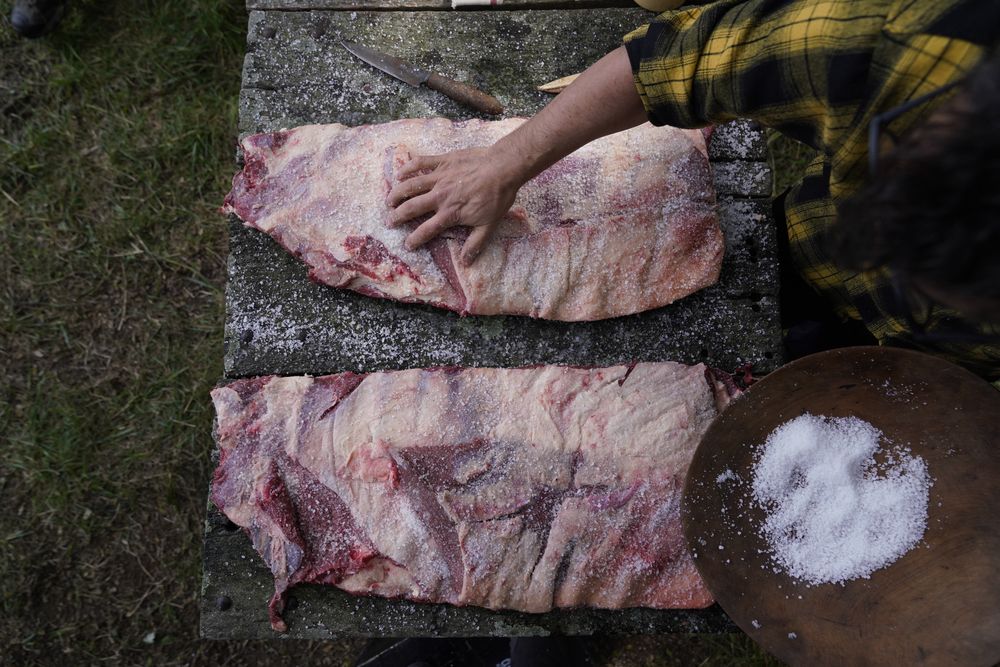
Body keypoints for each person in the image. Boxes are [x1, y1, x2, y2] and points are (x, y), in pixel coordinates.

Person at [385, 0, 1000, 384]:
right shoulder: (914, 44)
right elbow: (678, 60)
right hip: (820, 248)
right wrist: (506, 161)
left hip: (957, 367)